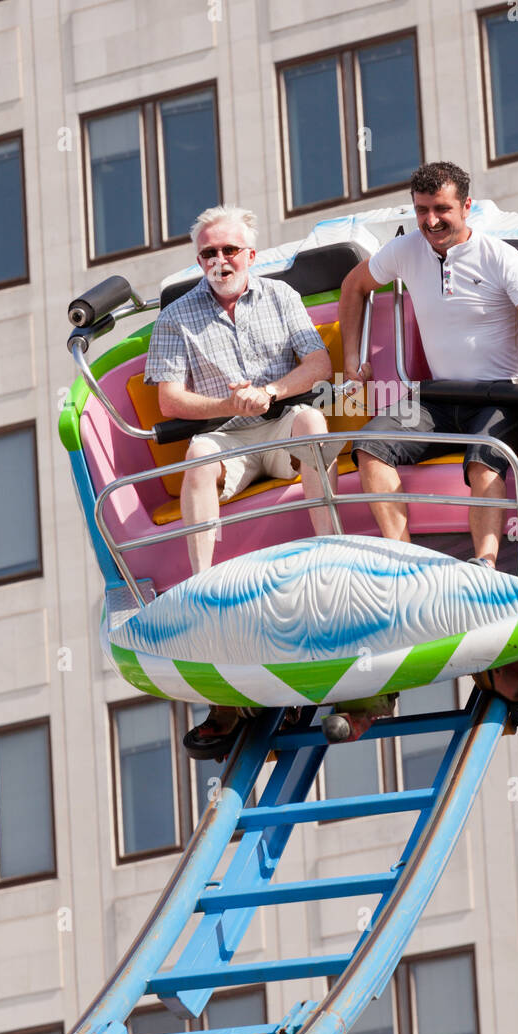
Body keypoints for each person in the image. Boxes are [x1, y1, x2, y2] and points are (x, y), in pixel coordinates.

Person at [144, 204, 339, 757]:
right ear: (198, 260)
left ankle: (333, 549)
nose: (221, 260)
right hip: (227, 434)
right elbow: (170, 399)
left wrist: (273, 391)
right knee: (200, 453)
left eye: (230, 250)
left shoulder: (280, 297)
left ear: (250, 255)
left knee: (311, 420)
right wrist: (226, 402)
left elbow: (319, 366)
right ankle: (202, 588)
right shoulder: (177, 317)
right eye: (209, 253)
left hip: (281, 423)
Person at [340, 161, 518, 567]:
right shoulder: (405, 251)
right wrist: (352, 357)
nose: (431, 221)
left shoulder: (500, 259)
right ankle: (407, 563)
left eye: (441, 209)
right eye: (422, 211)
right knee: (370, 446)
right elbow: (354, 286)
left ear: (466, 206)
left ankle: (485, 563)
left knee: (484, 455)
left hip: (501, 396)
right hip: (439, 398)